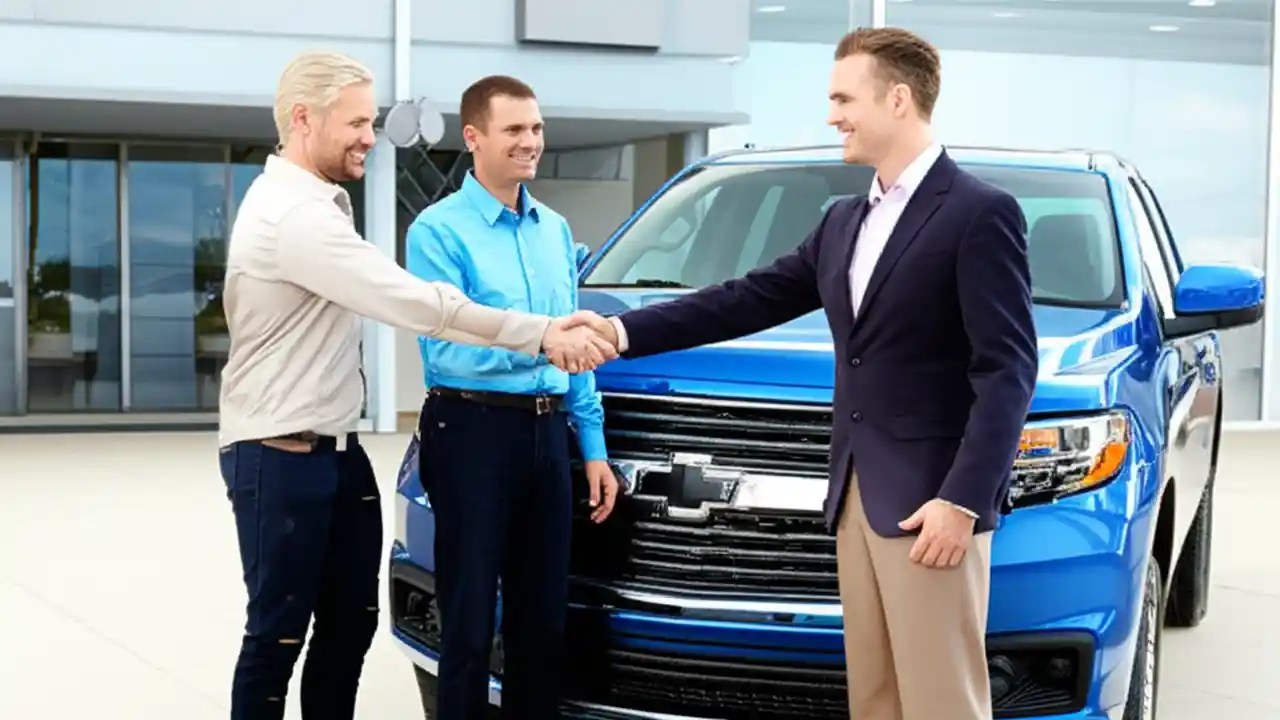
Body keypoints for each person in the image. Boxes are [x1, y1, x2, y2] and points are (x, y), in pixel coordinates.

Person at [570, 27, 1038, 720]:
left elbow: (1008, 370)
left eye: (844, 97)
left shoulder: (978, 213)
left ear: (899, 99)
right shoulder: (845, 220)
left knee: (942, 701)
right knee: (875, 697)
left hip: (928, 507)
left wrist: (962, 501)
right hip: (855, 498)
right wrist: (619, 330)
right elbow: (746, 298)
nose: (833, 114)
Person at [216, 53, 612, 720]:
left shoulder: (320, 204)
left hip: (336, 452)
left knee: (350, 625)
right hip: (279, 453)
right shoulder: (295, 217)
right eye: (359, 121)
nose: (372, 135)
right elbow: (422, 306)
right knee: (278, 637)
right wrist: (542, 334)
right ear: (305, 119)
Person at [403, 74, 619, 720]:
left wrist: (593, 446)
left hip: (548, 439)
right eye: (515, 130)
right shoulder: (437, 232)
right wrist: (540, 345)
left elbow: (574, 345)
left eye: (537, 129)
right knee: (468, 623)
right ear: (474, 137)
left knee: (541, 623)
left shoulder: (554, 229)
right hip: (471, 432)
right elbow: (445, 349)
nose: (531, 143)